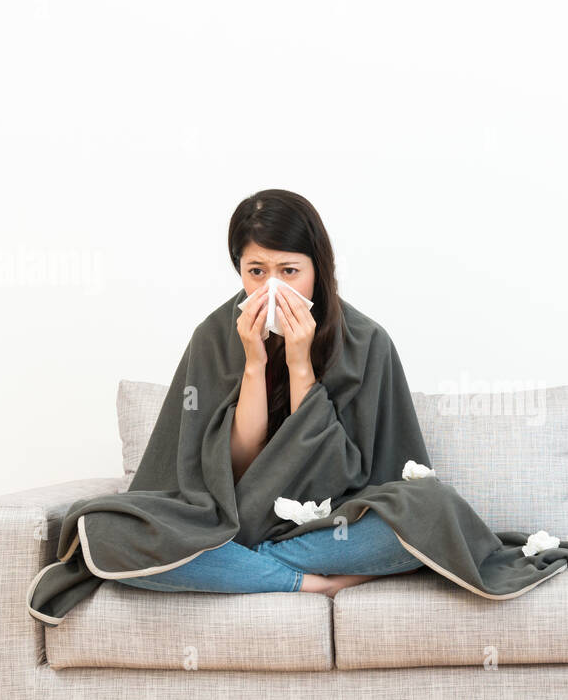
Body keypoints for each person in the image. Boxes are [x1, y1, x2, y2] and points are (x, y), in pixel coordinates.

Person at [114, 190, 424, 599]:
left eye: (290, 271)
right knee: (112, 534)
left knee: (424, 518)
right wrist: (254, 365)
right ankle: (306, 581)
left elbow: (338, 476)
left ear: (320, 268)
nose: (273, 287)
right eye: (257, 271)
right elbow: (234, 468)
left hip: (331, 525)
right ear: (239, 269)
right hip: (231, 522)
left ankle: (236, 566)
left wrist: (300, 366)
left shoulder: (367, 342)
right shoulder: (213, 335)